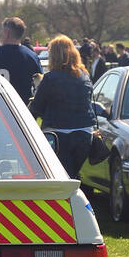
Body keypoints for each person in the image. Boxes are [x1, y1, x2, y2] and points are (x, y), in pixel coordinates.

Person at [29, 35, 96, 178]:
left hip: (58, 135)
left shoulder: (50, 78)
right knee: (72, 175)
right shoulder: (84, 75)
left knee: (61, 177)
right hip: (84, 134)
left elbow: (37, 108)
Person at [0, 17, 42, 102]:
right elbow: (40, 85)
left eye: (2, 32)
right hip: (22, 109)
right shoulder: (32, 57)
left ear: (7, 33)